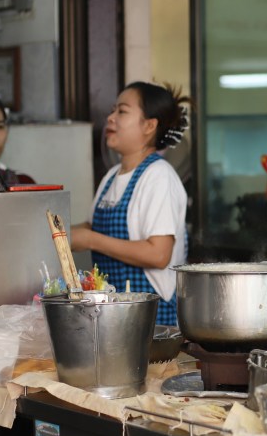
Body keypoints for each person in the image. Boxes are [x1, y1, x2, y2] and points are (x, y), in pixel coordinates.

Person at [70, 82, 189, 325]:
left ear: (149, 125)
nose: (110, 118)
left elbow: (158, 254)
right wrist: (60, 233)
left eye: (122, 111)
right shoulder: (112, 175)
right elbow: (94, 227)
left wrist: (90, 240)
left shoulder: (158, 176)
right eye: (112, 111)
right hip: (112, 314)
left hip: (150, 318)